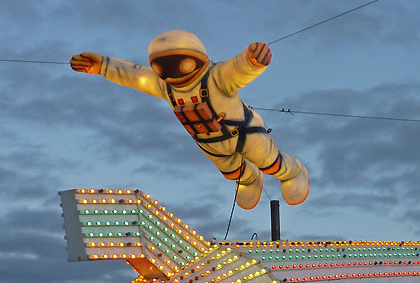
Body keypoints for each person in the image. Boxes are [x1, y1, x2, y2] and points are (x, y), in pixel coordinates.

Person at [70, 30, 309, 211]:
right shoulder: (165, 87)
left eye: (179, 63)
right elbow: (133, 74)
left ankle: (292, 173)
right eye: (164, 66)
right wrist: (102, 65)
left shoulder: (217, 78)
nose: (174, 72)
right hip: (209, 141)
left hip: (245, 133)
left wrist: (252, 61)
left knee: (269, 161)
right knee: (231, 170)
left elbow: (237, 69)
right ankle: (249, 180)